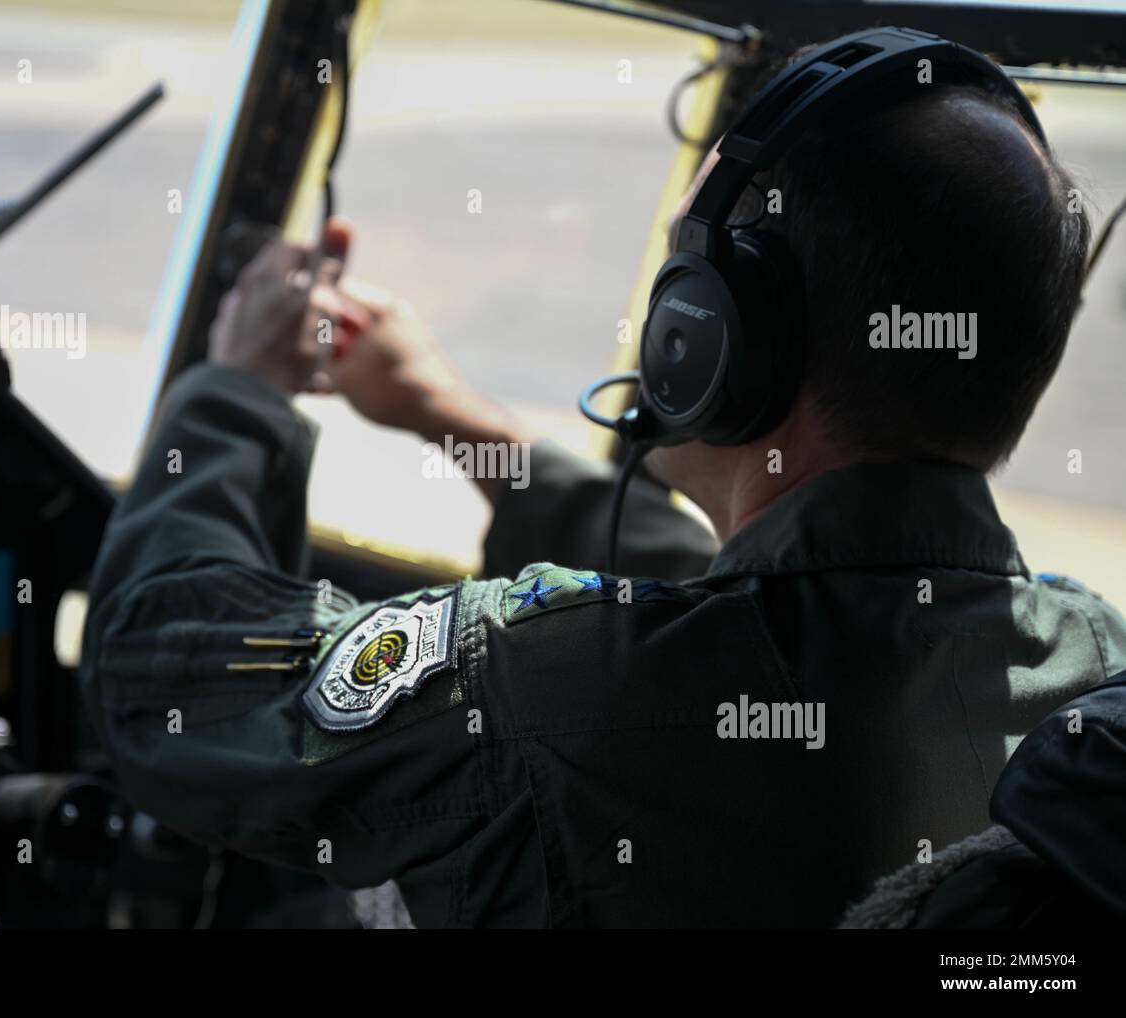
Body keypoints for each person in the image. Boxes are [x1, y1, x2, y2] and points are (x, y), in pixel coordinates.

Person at [79, 41, 1126, 928]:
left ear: (710, 340)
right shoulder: (1088, 672)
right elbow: (798, 620)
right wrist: (462, 425)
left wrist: (238, 387)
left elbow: (158, 668)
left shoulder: (556, 704)